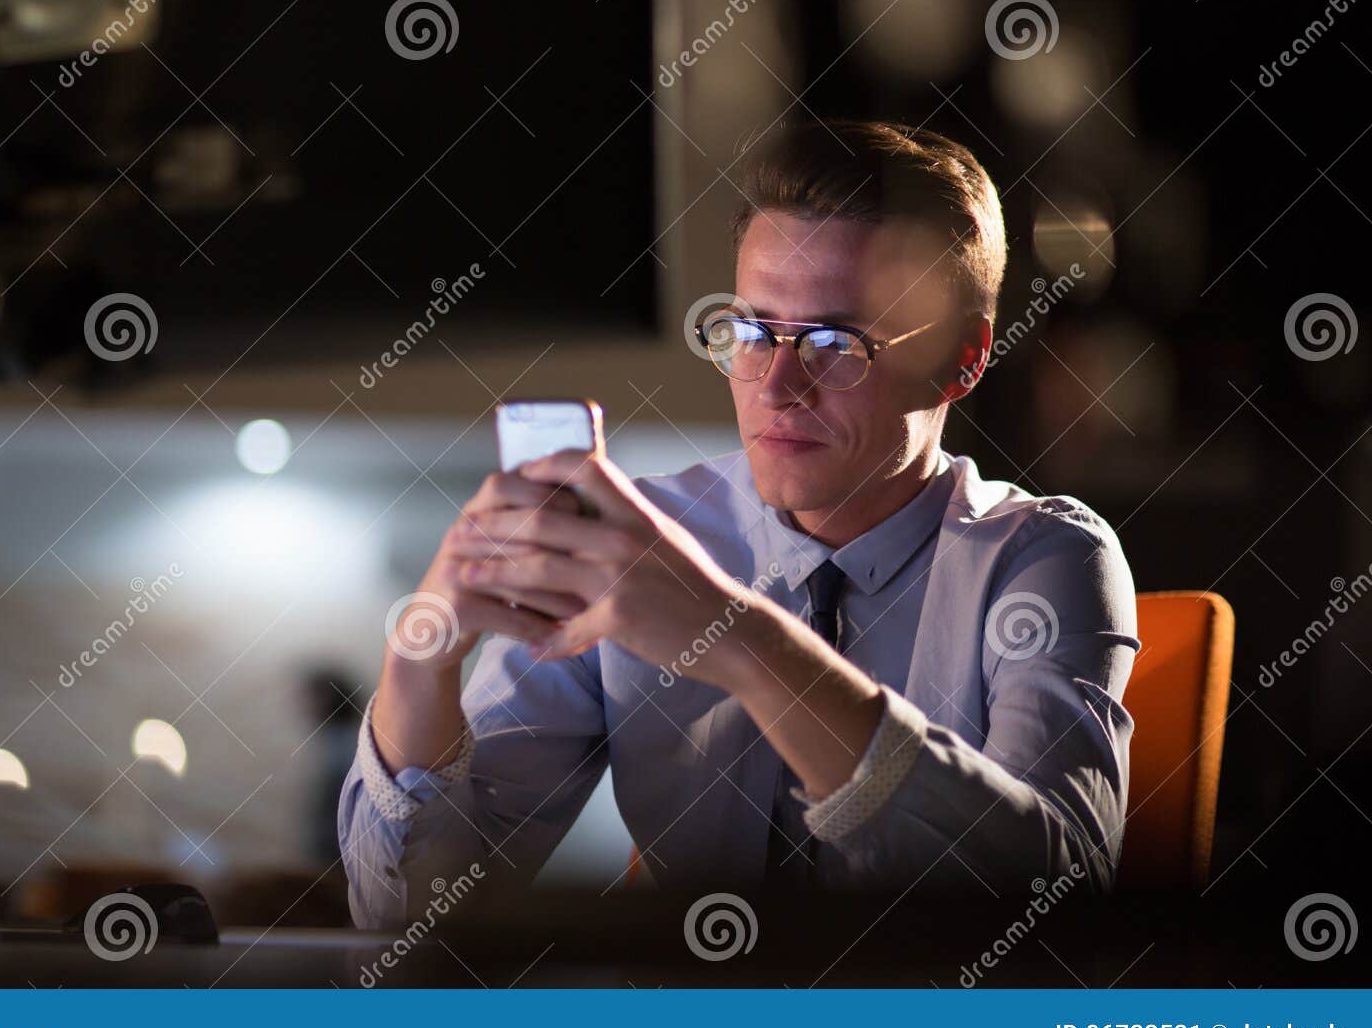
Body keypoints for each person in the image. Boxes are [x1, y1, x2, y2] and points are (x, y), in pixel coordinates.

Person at [338, 119, 1139, 928]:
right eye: (752, 331)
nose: (778, 384)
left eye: (837, 339)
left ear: (963, 357)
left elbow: (1055, 911)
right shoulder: (638, 540)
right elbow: (414, 920)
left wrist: (737, 639)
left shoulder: (1044, 558)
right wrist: (420, 660)